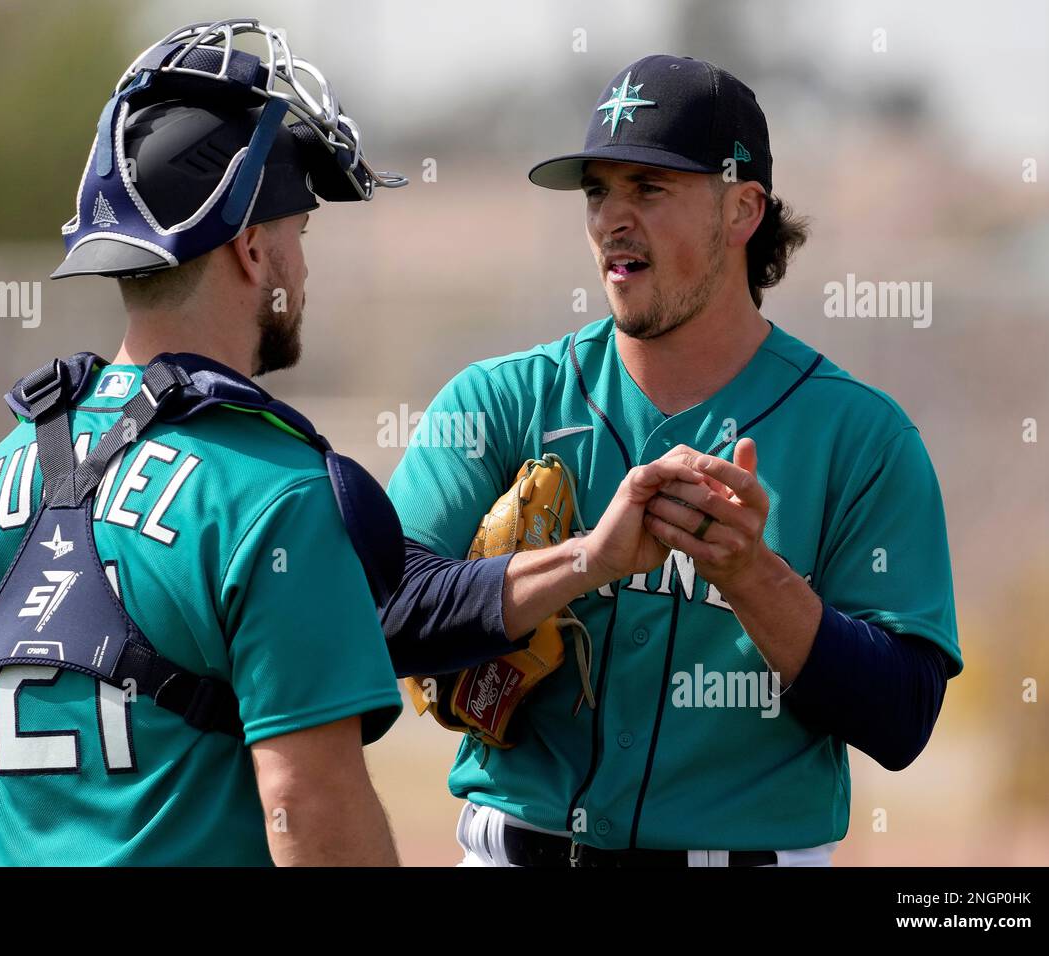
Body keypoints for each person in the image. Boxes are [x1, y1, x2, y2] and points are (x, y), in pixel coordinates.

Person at [0, 19, 407, 867]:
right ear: (252, 250)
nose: (303, 266)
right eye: (299, 234)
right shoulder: (271, 494)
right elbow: (308, 805)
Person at [382, 54, 960, 867]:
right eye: (597, 191)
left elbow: (901, 718)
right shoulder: (500, 404)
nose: (613, 219)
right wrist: (582, 561)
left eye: (649, 189)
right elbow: (381, 616)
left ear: (742, 209)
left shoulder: (861, 438)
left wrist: (751, 572)